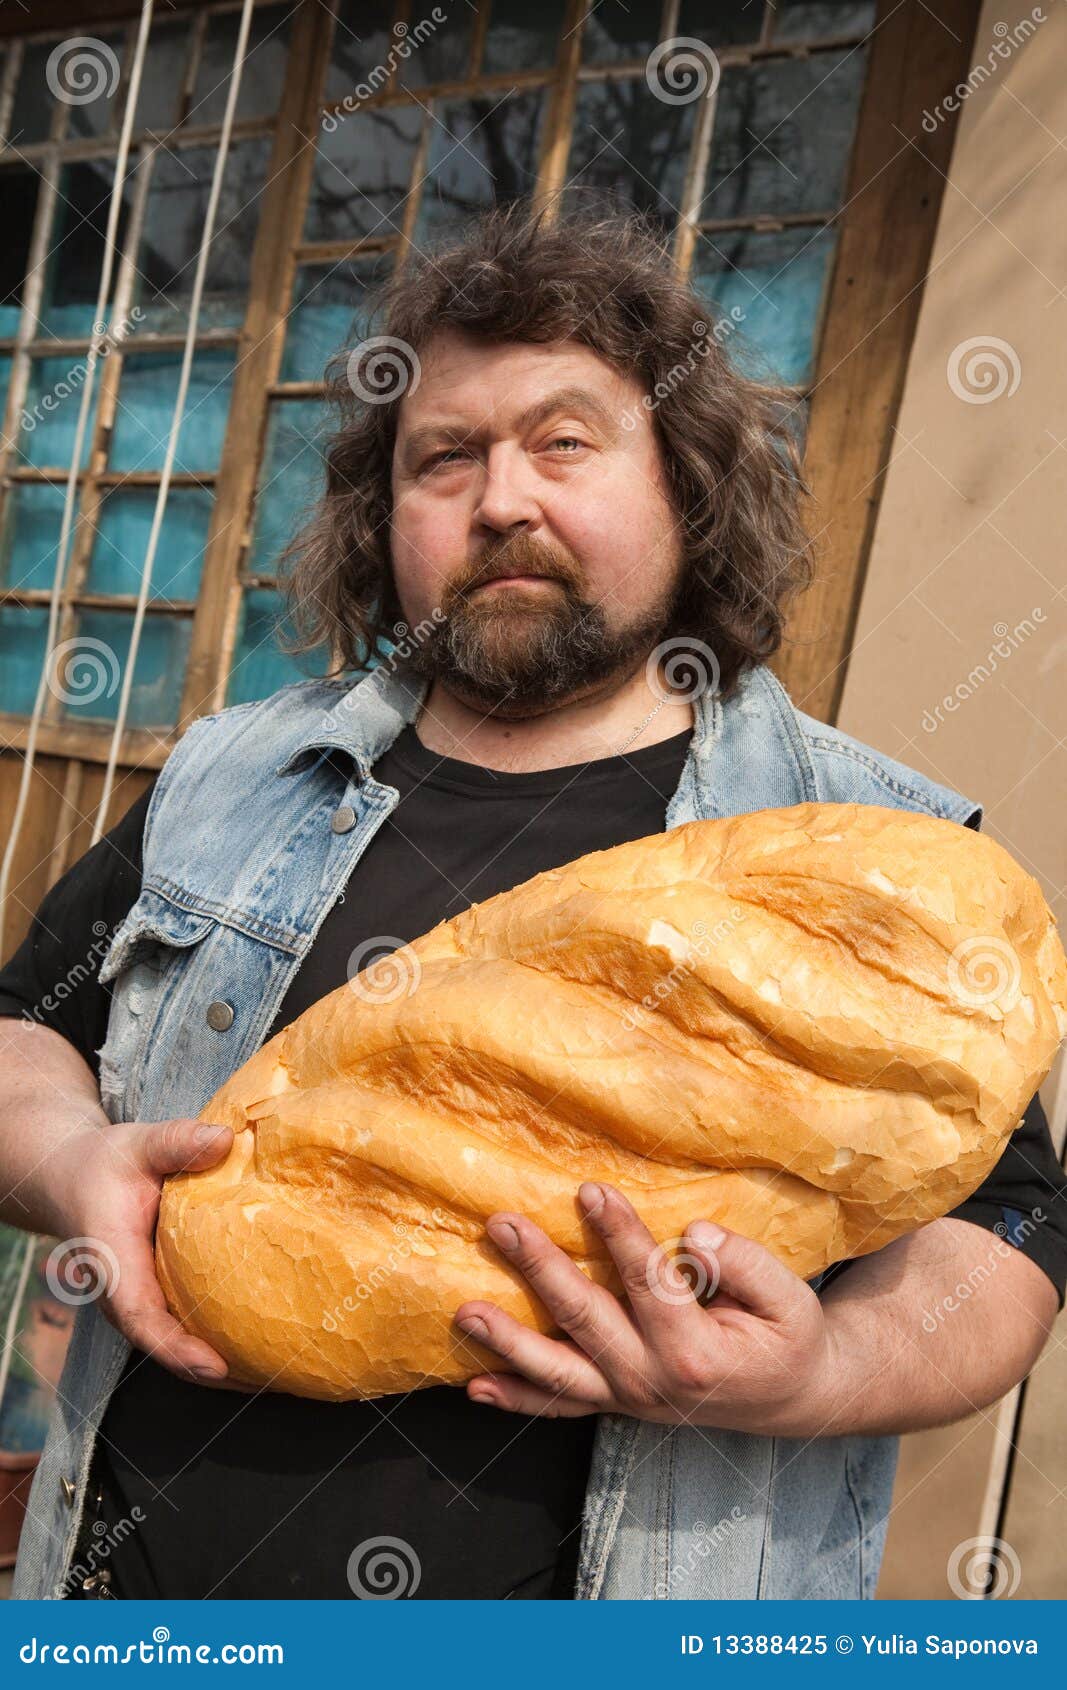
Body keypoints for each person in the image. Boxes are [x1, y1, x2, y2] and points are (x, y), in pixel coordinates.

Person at [3, 207, 1064, 1602]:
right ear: (388, 520)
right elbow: (30, 1029)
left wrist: (821, 1370)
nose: (503, 498)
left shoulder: (871, 858)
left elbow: (1010, 1245)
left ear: (685, 487)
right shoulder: (231, 775)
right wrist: (73, 1162)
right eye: (445, 456)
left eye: (565, 443)